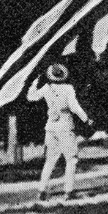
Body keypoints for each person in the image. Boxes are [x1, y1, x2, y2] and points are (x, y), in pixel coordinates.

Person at [27, 62, 90, 201]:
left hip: (50, 126)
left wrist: (34, 82)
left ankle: (42, 190)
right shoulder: (68, 88)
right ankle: (69, 191)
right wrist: (86, 119)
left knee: (50, 160)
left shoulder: (46, 88)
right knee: (71, 159)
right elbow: (74, 107)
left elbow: (31, 97)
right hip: (65, 124)